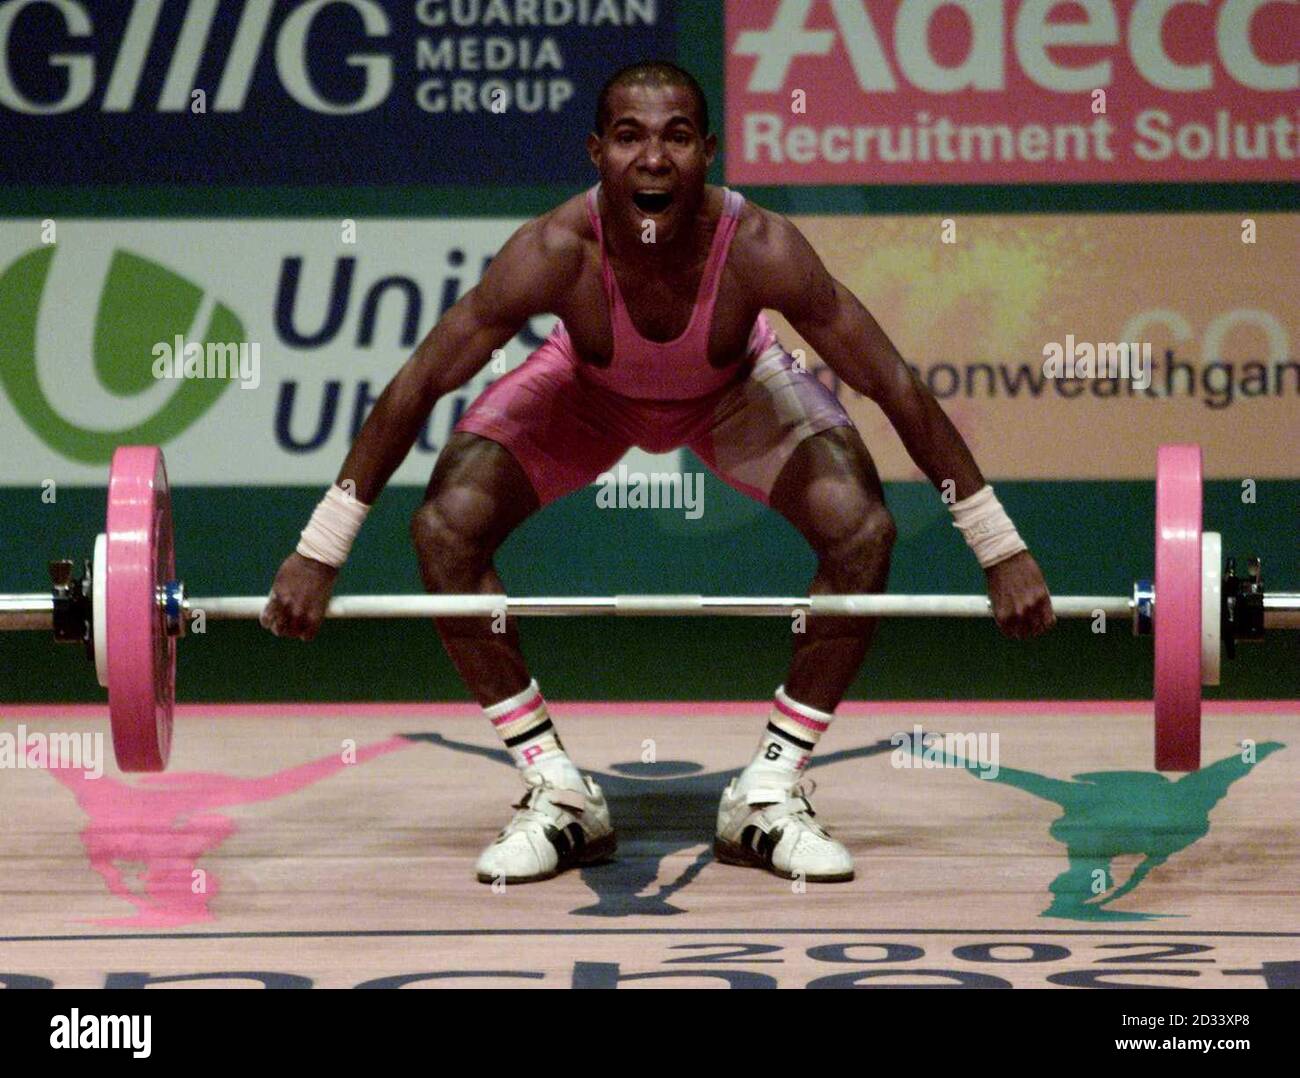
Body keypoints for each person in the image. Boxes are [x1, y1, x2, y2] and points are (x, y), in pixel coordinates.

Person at [261, 61, 1055, 886]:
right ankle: (559, 792)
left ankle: (768, 794)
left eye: (677, 136)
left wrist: (999, 547)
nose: (654, 158)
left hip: (735, 394)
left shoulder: (762, 248)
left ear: (709, 151)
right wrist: (321, 549)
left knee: (862, 530)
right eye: (630, 136)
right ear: (596, 150)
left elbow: (893, 383)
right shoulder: (551, 251)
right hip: (585, 395)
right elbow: (421, 381)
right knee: (445, 528)